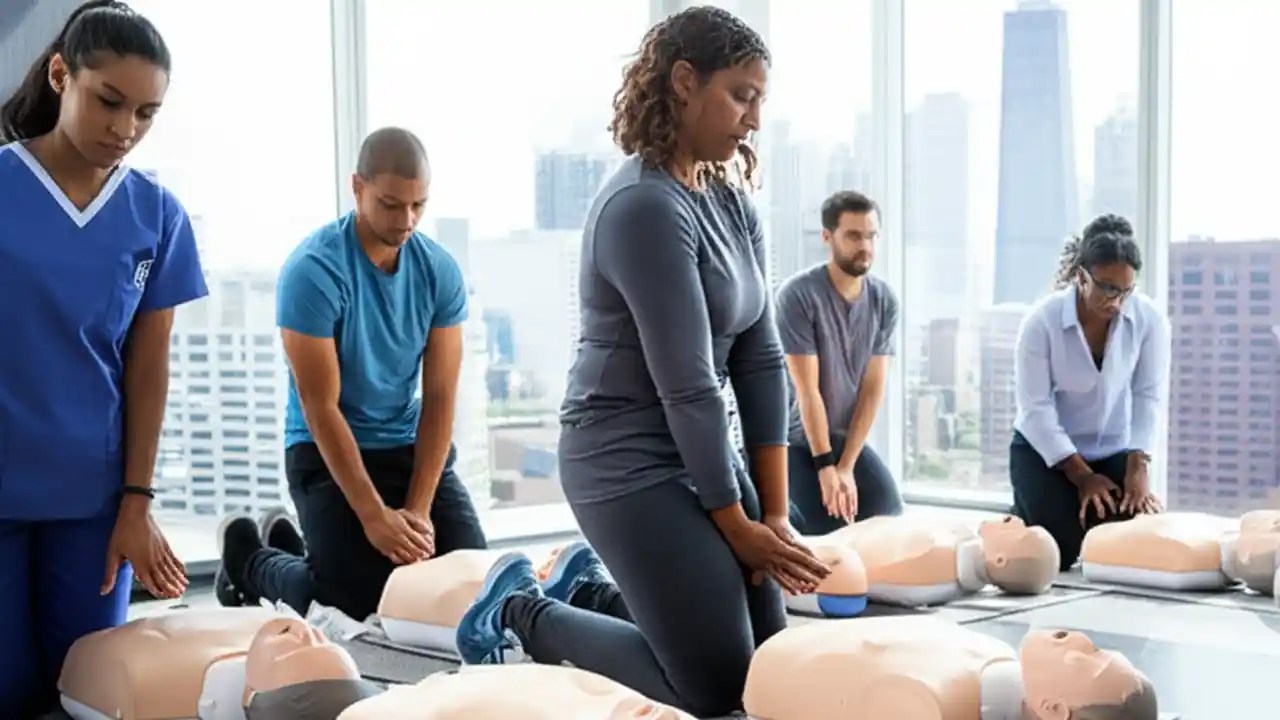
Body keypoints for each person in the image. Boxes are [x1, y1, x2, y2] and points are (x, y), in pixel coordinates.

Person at [450, 7, 831, 718]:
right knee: (715, 690)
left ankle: (587, 592)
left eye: (760, 100)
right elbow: (688, 384)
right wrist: (735, 523)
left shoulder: (729, 201)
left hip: (699, 452)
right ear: (685, 82)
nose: (753, 120)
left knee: (768, 667)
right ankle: (520, 612)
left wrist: (773, 515)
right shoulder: (643, 207)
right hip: (622, 461)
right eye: (740, 96)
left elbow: (760, 359)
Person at [0, 2, 204, 715]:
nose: (126, 129)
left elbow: (148, 370)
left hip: (94, 504)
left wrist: (137, 502)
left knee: (89, 693)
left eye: (146, 113)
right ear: (62, 76)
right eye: (109, 102)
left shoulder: (157, 214)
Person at [215, 127, 487, 621]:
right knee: (354, 605)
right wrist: (372, 516)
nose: (406, 221)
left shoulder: (439, 271)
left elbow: (441, 396)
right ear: (357, 188)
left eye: (418, 205)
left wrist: (417, 512)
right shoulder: (312, 271)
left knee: (472, 587)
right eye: (390, 204)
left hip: (406, 445)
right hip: (325, 451)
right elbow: (320, 407)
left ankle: (302, 548)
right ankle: (250, 561)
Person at [1010, 214, 1170, 571]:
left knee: (1123, 544)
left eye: (1126, 291)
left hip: (1112, 450)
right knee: (1058, 553)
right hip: (1045, 453)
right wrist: (1083, 477)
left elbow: (1147, 395)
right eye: (1108, 288)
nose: (1117, 302)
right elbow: (1036, 410)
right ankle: (1022, 511)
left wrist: (1139, 466)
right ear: (1082, 277)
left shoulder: (1149, 319)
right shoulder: (1042, 322)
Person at [775, 190, 904, 535]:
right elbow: (807, 390)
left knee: (887, 514)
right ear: (827, 237)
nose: (865, 247)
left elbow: (873, 389)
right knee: (820, 526)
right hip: (796, 441)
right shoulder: (798, 295)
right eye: (853, 236)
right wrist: (825, 467)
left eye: (871, 236)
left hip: (845, 441)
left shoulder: (884, 300)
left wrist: (845, 466)